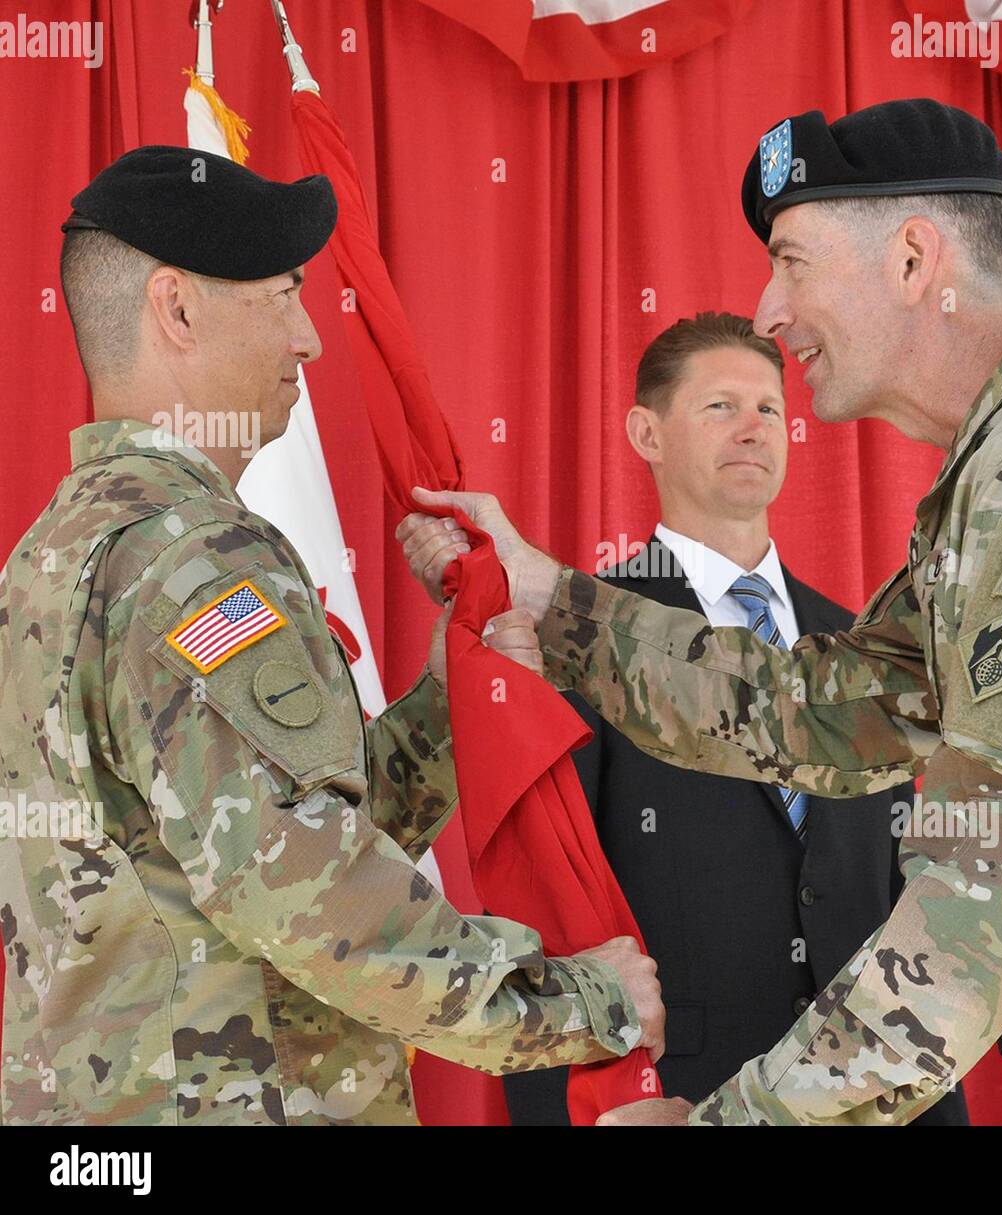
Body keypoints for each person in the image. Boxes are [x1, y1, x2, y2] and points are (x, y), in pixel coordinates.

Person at [398, 99, 1002, 1126]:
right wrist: (551, 601)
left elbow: (998, 892)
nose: (770, 312)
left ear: (913, 260)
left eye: (792, 262)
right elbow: (827, 710)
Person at [0, 145, 662, 1126]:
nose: (309, 339)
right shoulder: (198, 555)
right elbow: (308, 895)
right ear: (177, 310)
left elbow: (256, 835)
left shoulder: (46, 557)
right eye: (281, 294)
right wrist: (578, 1003)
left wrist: (451, 702)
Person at [501, 311, 966, 1125]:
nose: (752, 429)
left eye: (768, 408)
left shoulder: (861, 643)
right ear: (646, 431)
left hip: (874, 1094)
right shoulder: (582, 635)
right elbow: (545, 887)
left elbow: (903, 890)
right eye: (720, 406)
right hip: (680, 1096)